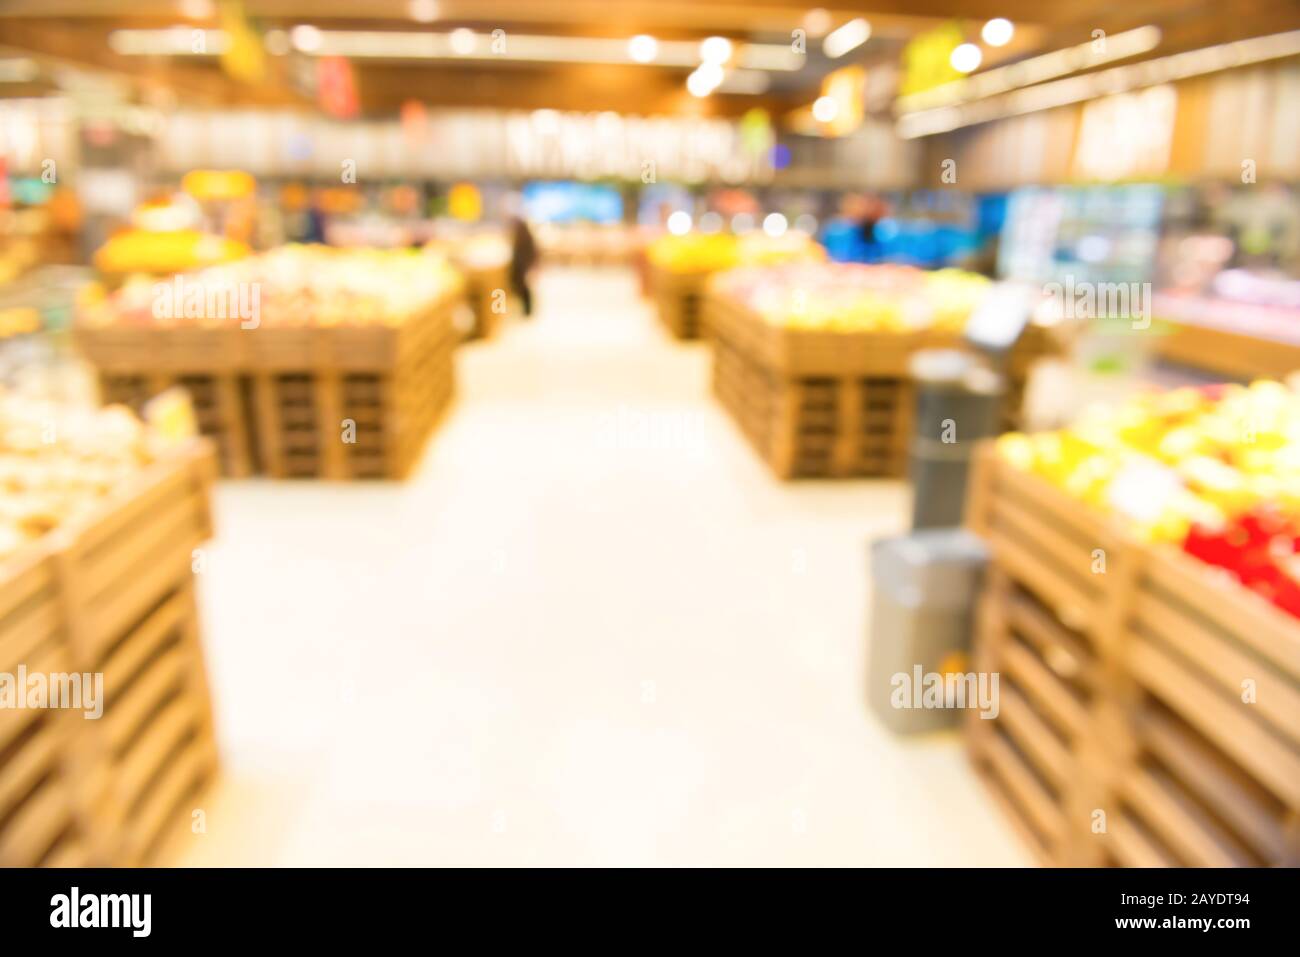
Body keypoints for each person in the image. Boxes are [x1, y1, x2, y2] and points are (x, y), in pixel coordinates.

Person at [508, 215, 538, 317]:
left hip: (523, 266)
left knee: (524, 289)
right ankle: (527, 310)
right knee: (525, 289)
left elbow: (527, 253)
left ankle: (527, 310)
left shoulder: (523, 238)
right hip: (524, 265)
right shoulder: (525, 236)